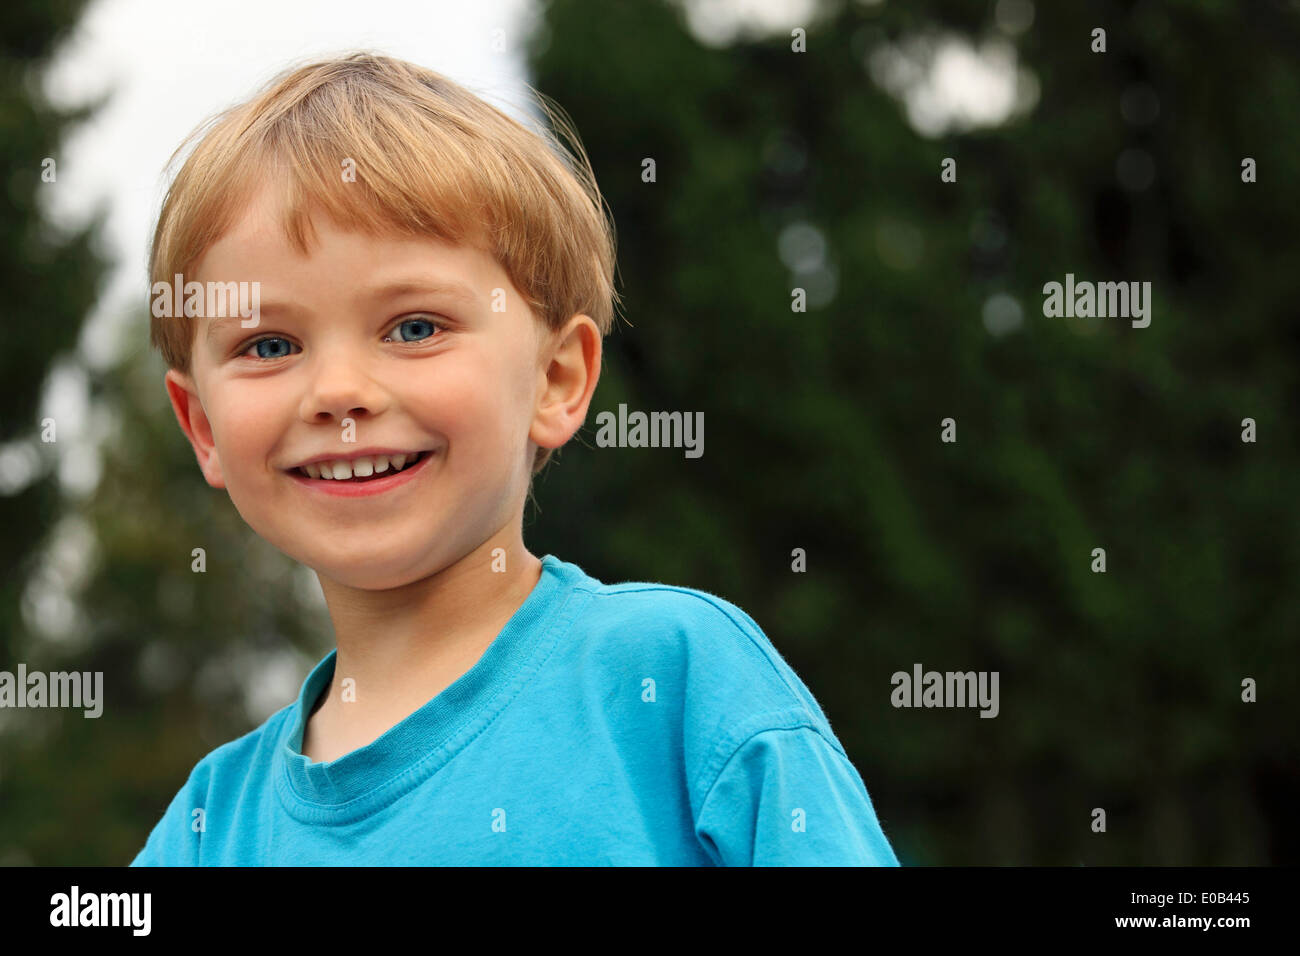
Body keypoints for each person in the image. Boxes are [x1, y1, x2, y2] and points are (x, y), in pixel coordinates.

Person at [131, 51, 900, 866]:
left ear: (557, 379)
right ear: (202, 425)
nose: (339, 392)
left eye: (415, 327)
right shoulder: (205, 831)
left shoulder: (673, 683)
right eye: (270, 344)